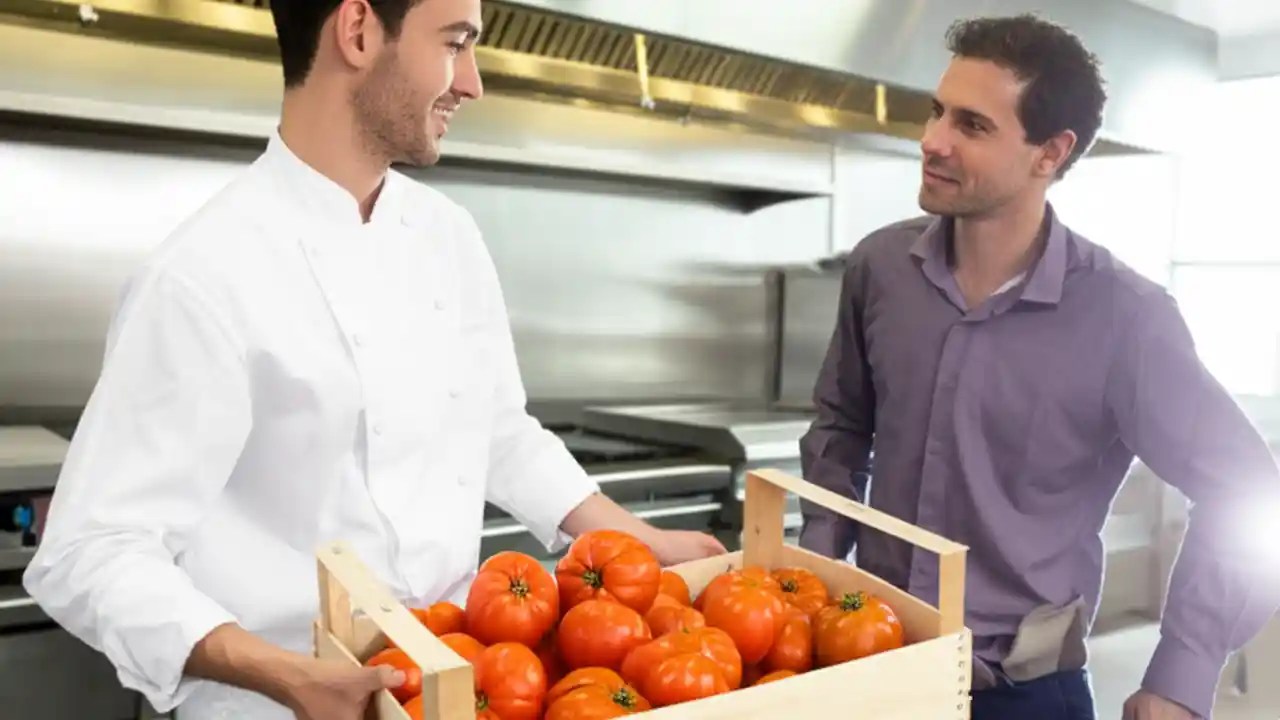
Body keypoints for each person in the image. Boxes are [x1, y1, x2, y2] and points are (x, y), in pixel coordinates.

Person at [22, 0, 726, 718]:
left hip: (459, 686)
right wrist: (285, 675)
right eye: (455, 44)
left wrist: (634, 538)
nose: (473, 83)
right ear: (358, 32)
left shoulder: (447, 236)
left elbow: (495, 430)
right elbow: (90, 550)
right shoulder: (203, 274)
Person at [798, 13, 1280, 720]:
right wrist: (818, 571)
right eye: (937, 112)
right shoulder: (879, 267)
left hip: (1027, 698)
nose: (931, 141)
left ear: (1050, 153)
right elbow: (842, 425)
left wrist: (1182, 672)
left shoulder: (1127, 316)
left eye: (972, 125)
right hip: (870, 666)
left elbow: (1247, 489)